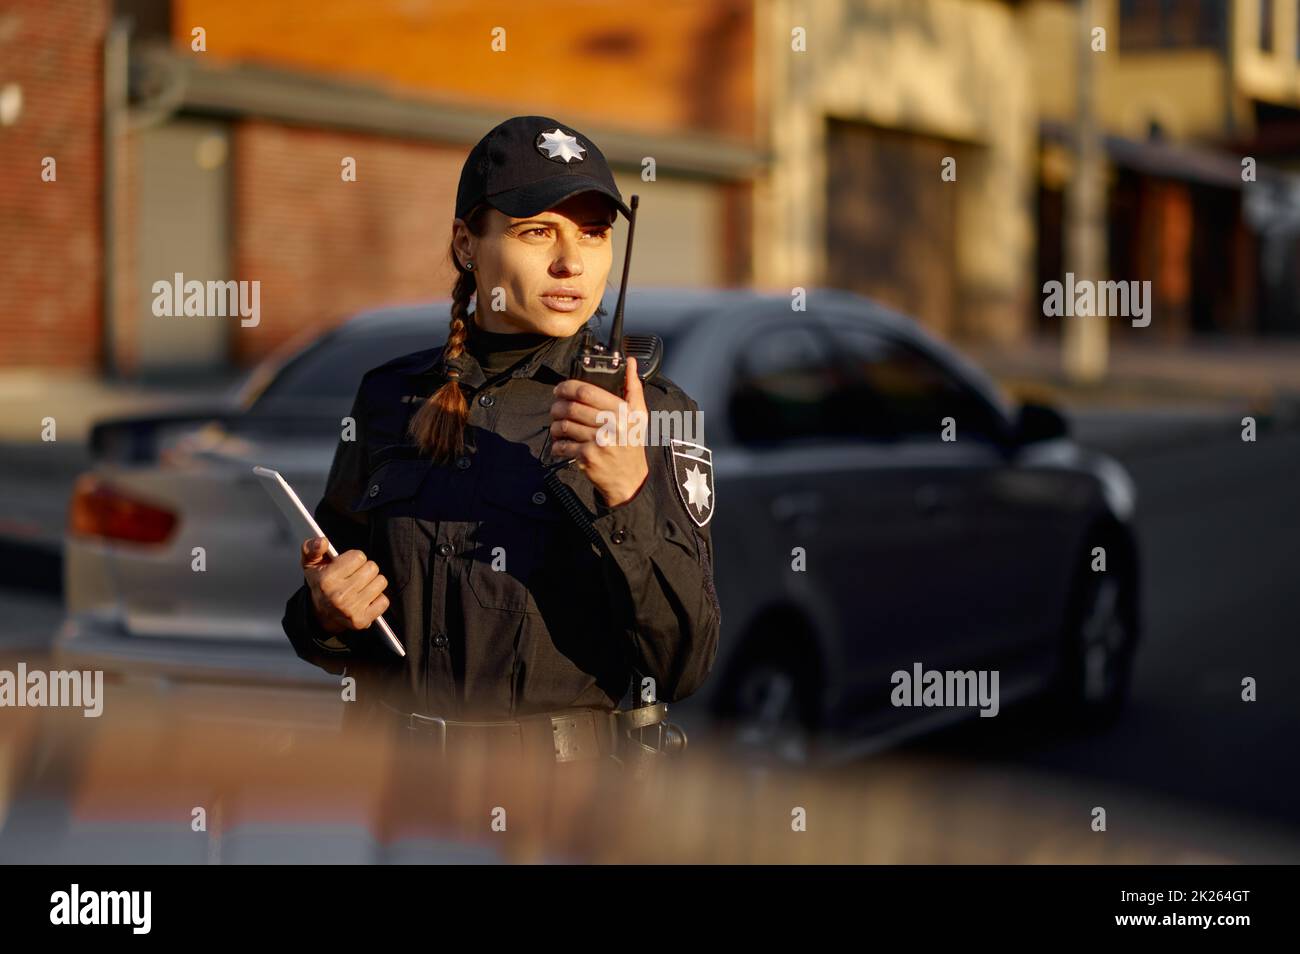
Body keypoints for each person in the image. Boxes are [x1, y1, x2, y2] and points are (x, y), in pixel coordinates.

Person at [280, 115, 721, 771]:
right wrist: (327, 615)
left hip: (556, 805)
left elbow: (682, 665)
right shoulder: (388, 396)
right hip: (389, 791)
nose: (571, 261)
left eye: (593, 234)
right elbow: (337, 614)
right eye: (537, 230)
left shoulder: (649, 414)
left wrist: (628, 492)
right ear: (466, 242)